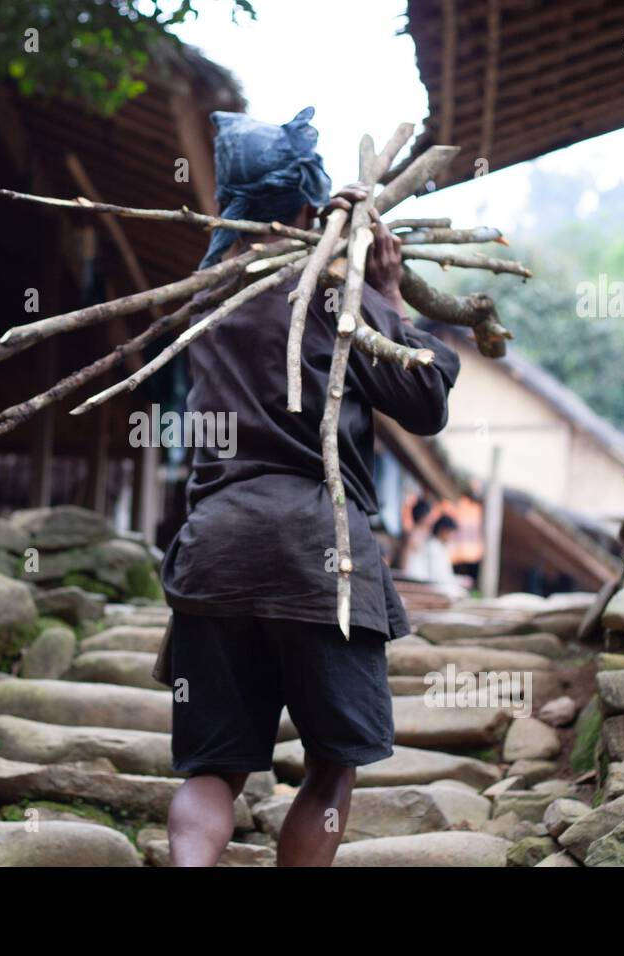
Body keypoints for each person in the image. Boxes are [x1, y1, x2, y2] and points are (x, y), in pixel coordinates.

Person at [158, 108, 461, 867]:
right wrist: (387, 294)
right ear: (307, 204)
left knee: (212, 768)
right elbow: (423, 401)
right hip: (318, 553)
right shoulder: (335, 296)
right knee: (331, 764)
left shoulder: (209, 297)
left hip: (216, 549)